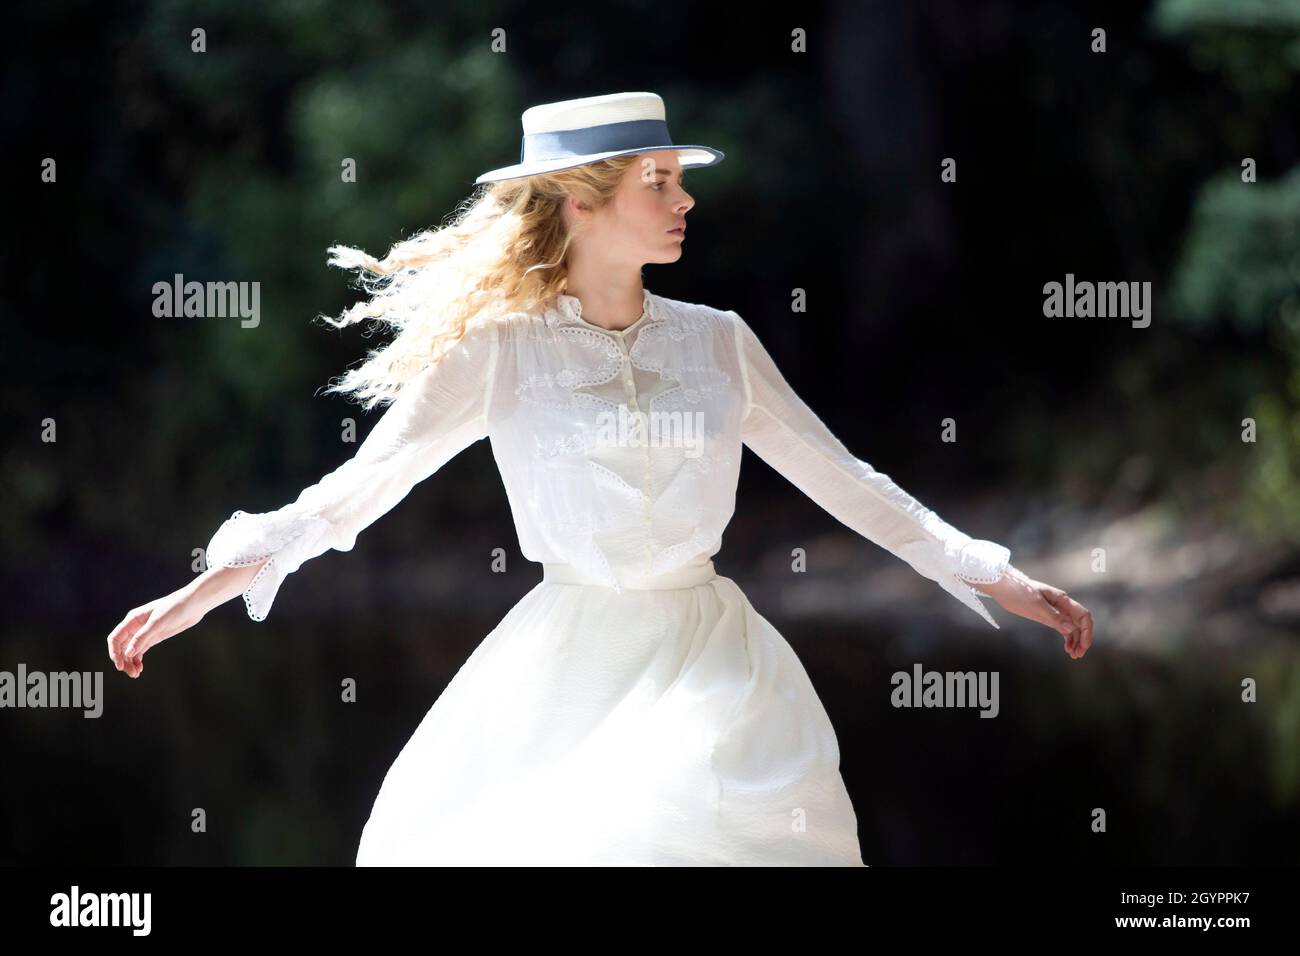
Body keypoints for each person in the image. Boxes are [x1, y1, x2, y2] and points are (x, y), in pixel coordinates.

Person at [105, 92, 1094, 866]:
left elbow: (845, 478)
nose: (684, 199)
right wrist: (208, 585)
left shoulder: (718, 342)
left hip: (713, 658)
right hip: (565, 662)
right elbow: (355, 492)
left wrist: (989, 572)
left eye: (677, 178)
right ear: (581, 200)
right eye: (657, 181)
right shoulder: (499, 352)